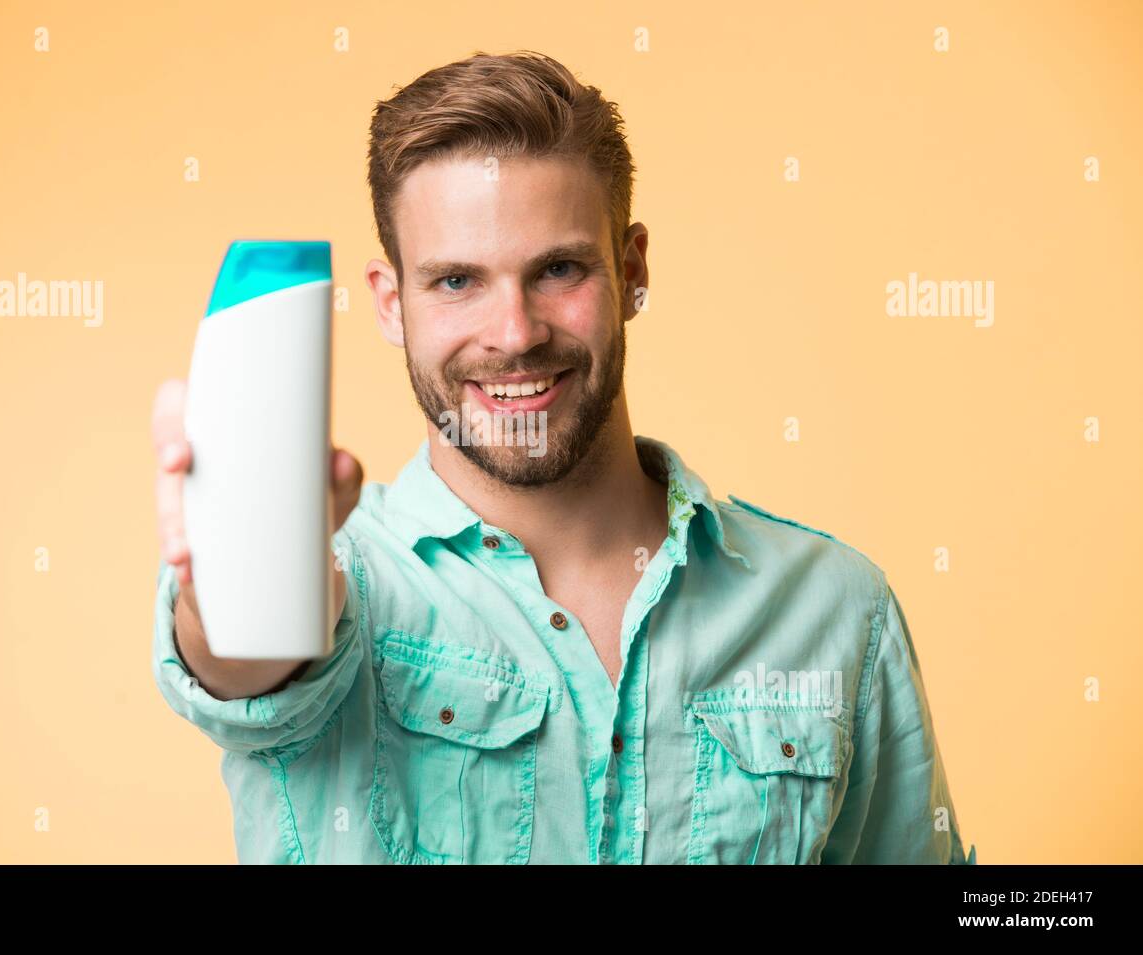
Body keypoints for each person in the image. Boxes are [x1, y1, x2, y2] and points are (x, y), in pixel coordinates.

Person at [150, 50, 977, 865]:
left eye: (558, 269)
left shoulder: (833, 608)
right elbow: (246, 662)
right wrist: (244, 574)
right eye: (455, 282)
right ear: (391, 303)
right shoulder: (339, 589)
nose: (514, 333)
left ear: (631, 269)